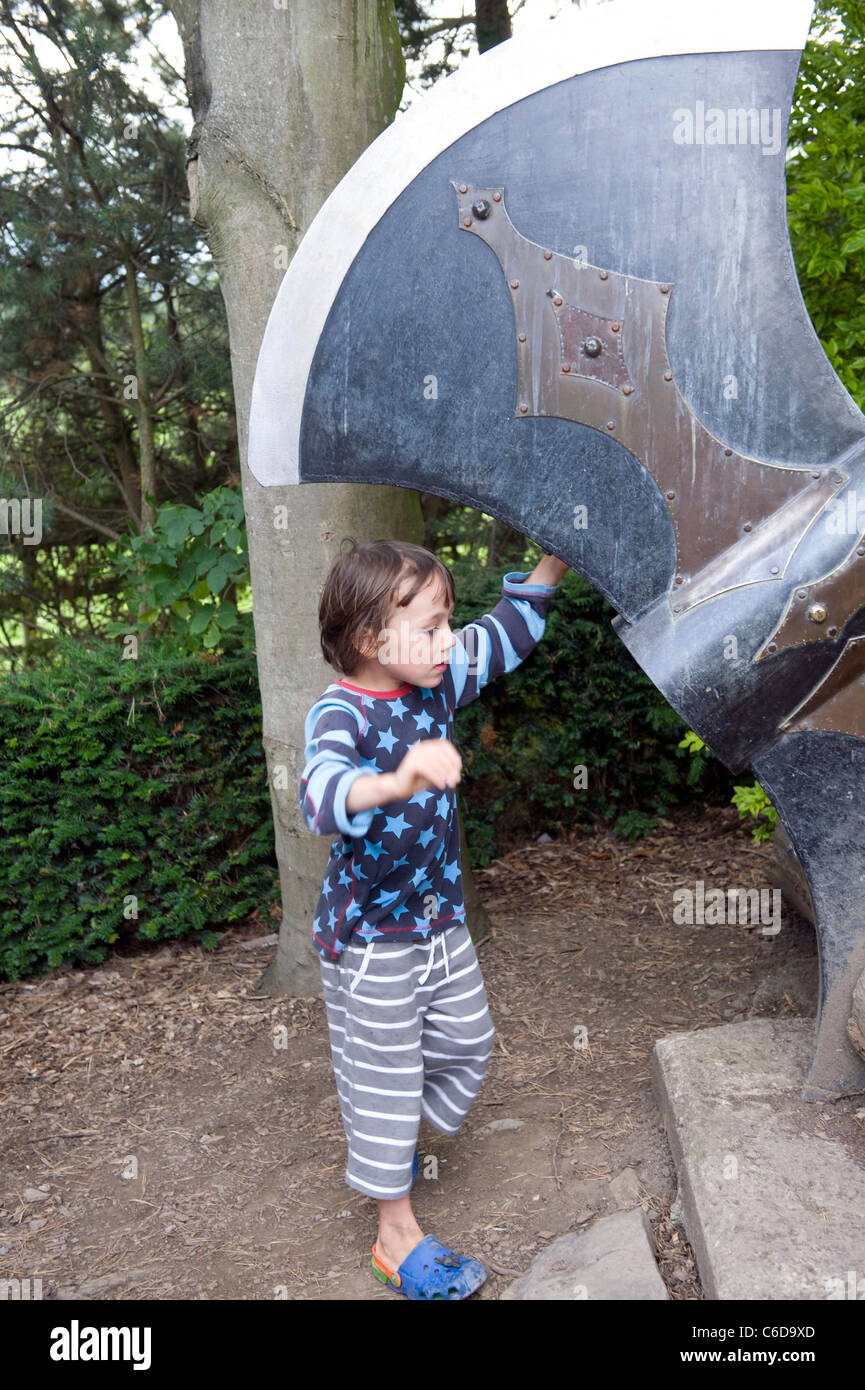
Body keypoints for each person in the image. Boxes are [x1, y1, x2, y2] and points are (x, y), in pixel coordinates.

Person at [298, 536, 569, 1299]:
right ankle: (395, 1232)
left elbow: (499, 637)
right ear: (367, 638)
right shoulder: (339, 711)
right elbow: (320, 795)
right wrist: (394, 779)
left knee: (468, 1043)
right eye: (431, 624)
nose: (449, 639)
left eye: (448, 619)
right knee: (386, 1079)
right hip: (371, 940)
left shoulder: (435, 684)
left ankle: (386, 1126)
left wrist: (549, 568)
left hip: (442, 923)